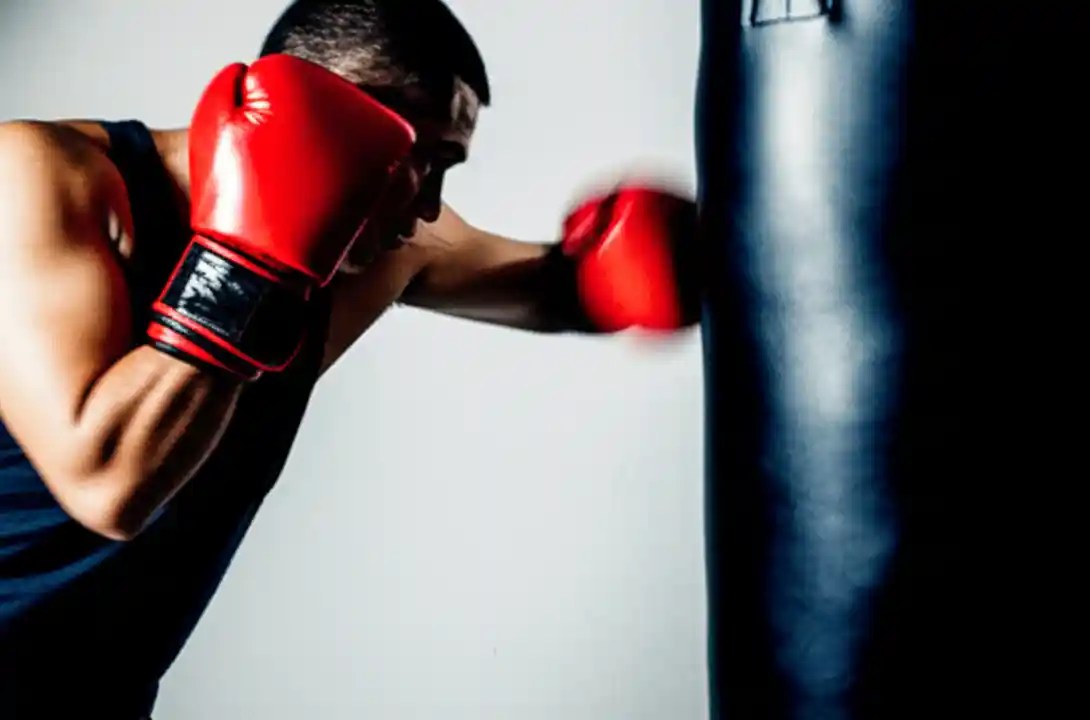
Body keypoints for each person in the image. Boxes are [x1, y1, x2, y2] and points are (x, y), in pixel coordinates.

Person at [0, 0, 699, 716]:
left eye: (445, 166)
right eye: (409, 161)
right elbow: (107, 485)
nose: (425, 209)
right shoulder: (40, 177)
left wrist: (678, 248)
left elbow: (574, 288)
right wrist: (251, 256)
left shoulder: (386, 247)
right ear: (308, 122)